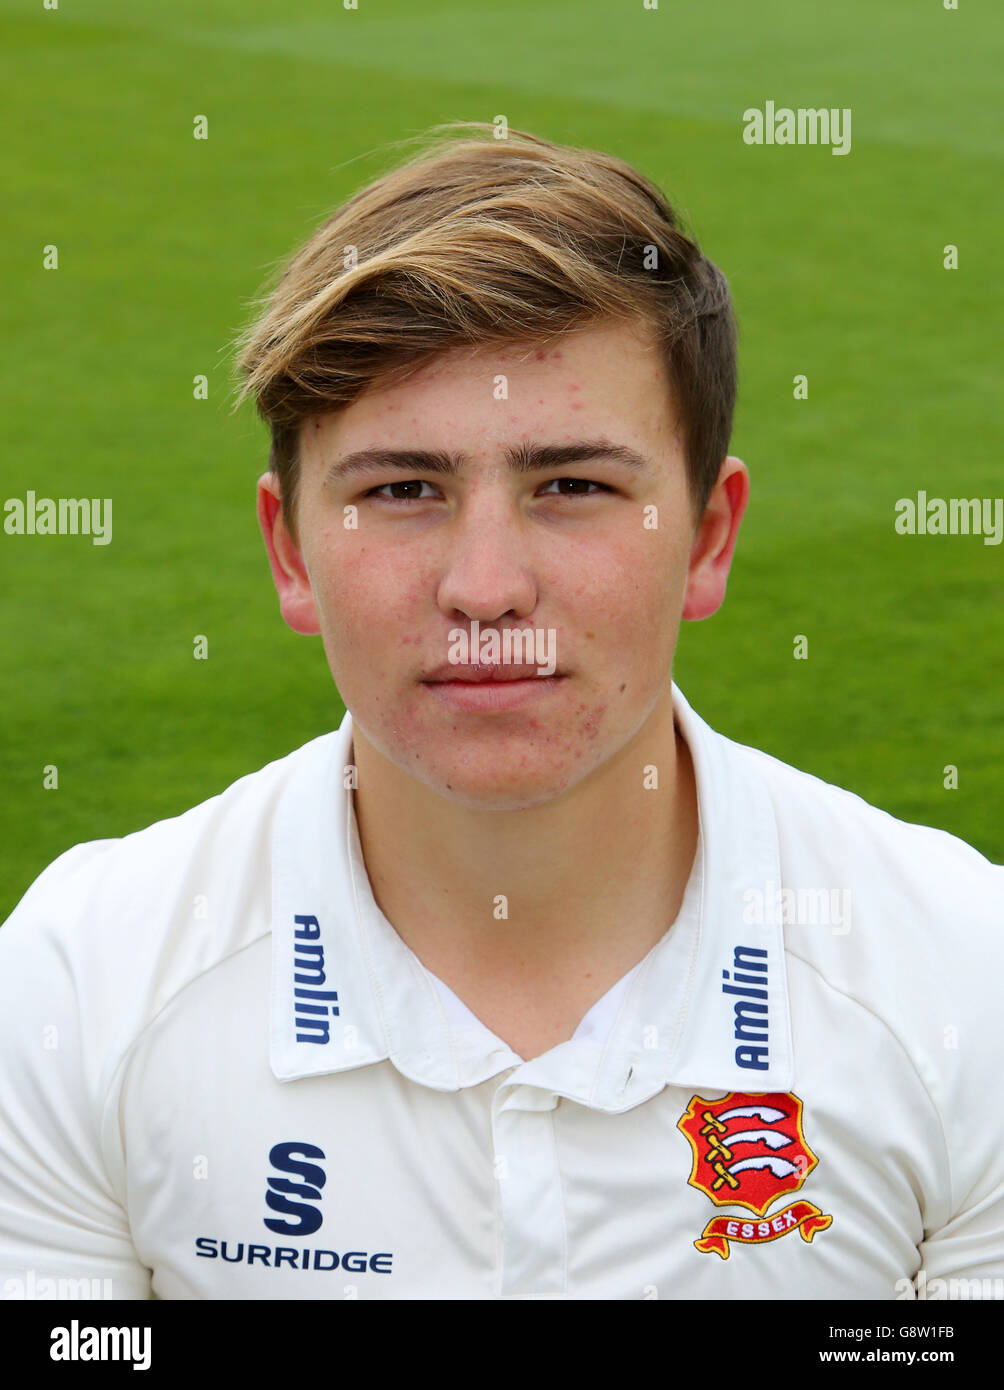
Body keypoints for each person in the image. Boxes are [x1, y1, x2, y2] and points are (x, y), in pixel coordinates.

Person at [1, 123, 1001, 1302]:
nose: (484, 588)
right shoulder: (78, 984)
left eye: (571, 486)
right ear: (289, 551)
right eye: (402, 490)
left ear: (706, 538)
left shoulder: (964, 979)